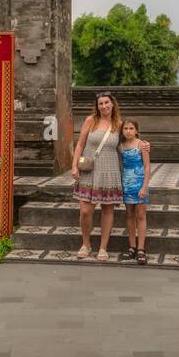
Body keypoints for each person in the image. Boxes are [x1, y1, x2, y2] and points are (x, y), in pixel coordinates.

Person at [70, 91, 123, 260]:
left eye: (107, 102)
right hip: (89, 169)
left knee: (107, 209)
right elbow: (80, 144)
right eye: (101, 103)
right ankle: (86, 244)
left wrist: (144, 147)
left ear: (112, 104)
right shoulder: (91, 121)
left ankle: (103, 247)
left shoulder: (119, 124)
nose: (104, 106)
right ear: (97, 106)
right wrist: (74, 165)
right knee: (85, 210)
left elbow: (126, 146)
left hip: (110, 170)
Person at [119, 119, 151, 264]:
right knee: (129, 216)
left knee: (141, 216)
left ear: (136, 130)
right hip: (126, 184)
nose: (128, 131)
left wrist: (144, 187)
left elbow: (147, 167)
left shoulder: (142, 145)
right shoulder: (120, 146)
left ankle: (141, 248)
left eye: (131, 128)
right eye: (125, 128)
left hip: (139, 184)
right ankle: (132, 246)